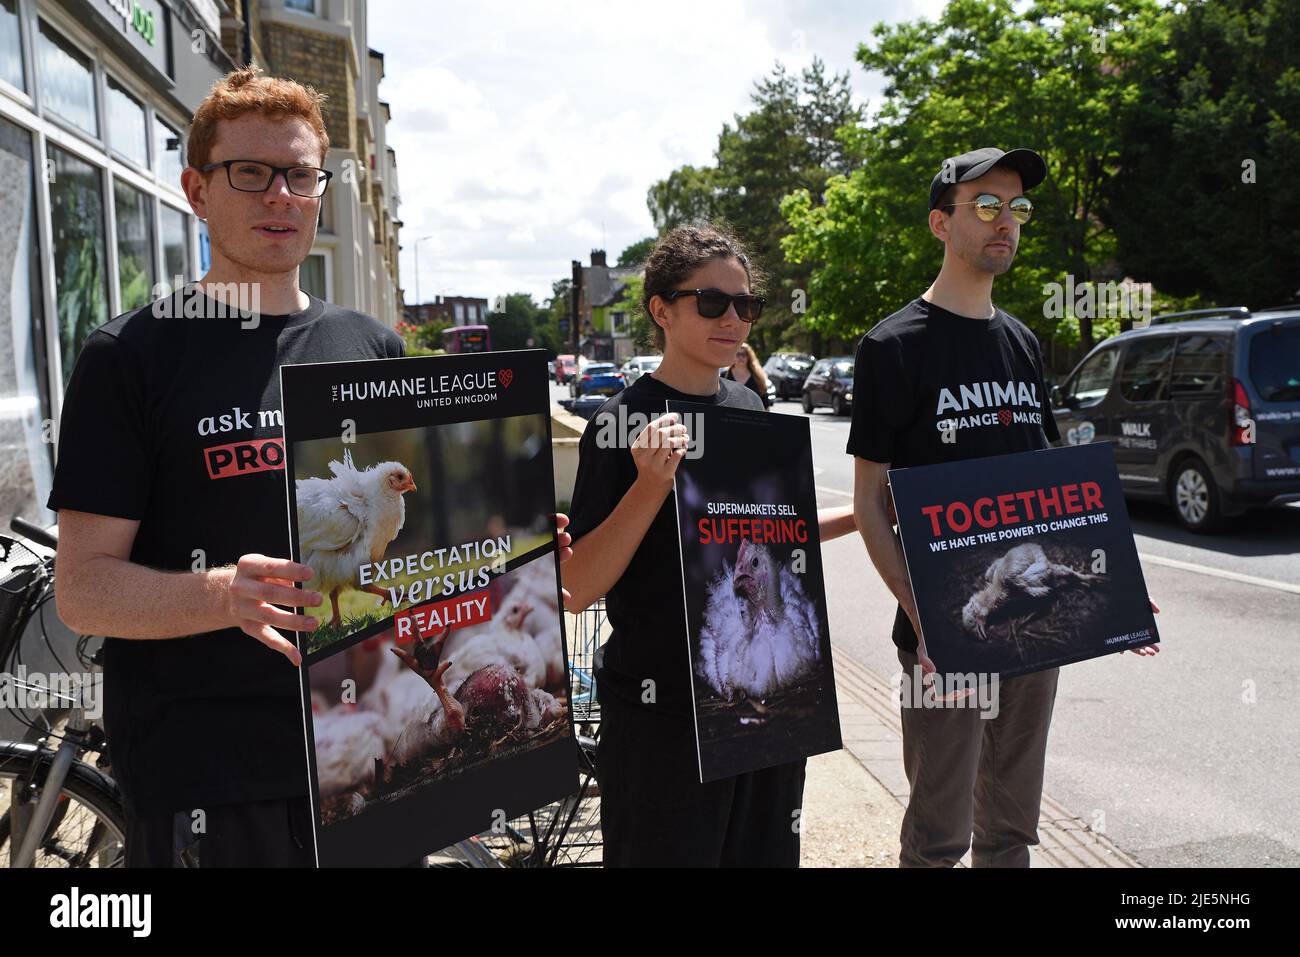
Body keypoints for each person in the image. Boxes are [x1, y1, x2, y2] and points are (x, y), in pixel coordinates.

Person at [46, 65, 575, 867]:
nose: (280, 196)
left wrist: (506, 563)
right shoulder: (131, 358)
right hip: (213, 783)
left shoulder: (370, 347)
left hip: (372, 770)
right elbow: (83, 590)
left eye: (300, 174)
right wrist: (224, 592)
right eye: (250, 173)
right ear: (196, 189)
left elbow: (401, 571)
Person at [847, 147, 1160, 868]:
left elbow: (1050, 492)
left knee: (1011, 830)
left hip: (1036, 631)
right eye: (986, 205)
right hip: (945, 636)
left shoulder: (1021, 342)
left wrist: (1120, 590)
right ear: (940, 222)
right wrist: (925, 620)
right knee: (937, 836)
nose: (1007, 221)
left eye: (1017, 208)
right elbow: (871, 504)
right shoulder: (891, 348)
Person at [562, 223, 856, 867]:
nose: (734, 319)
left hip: (759, 713)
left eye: (746, 305)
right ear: (661, 310)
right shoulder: (621, 422)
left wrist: (863, 516)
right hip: (661, 715)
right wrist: (648, 486)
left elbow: (776, 540)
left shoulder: (749, 407)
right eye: (713, 302)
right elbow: (578, 586)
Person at [722, 342, 771, 408]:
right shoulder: (724, 376)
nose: (740, 357)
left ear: (749, 357)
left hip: (752, 415)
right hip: (729, 416)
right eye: (738, 354)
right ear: (733, 355)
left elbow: (765, 403)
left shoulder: (757, 376)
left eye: (744, 354)